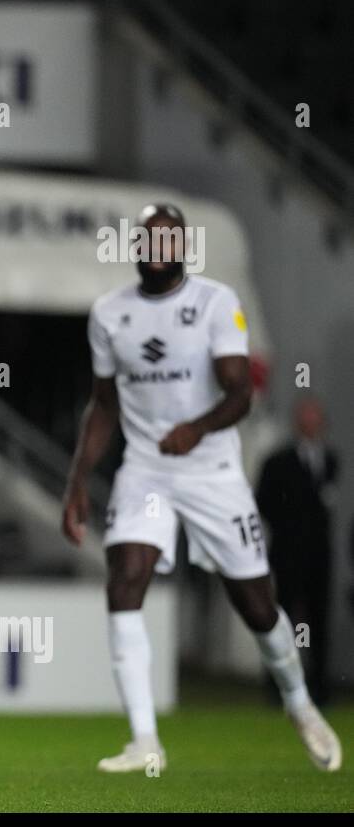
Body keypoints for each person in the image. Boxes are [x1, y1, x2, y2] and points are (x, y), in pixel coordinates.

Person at [62, 202, 340, 773]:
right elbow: (104, 404)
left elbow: (240, 394)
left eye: (171, 239)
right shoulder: (110, 313)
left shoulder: (215, 302)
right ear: (137, 246)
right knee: (125, 577)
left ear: (184, 248)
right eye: (150, 239)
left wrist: (197, 428)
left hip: (212, 471)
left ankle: (299, 702)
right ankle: (145, 740)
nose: (160, 248)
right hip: (146, 467)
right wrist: (77, 481)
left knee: (258, 607)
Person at [256, 397, 339, 706]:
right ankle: (278, 687)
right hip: (288, 556)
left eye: (315, 417)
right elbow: (263, 502)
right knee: (284, 622)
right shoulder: (278, 462)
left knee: (318, 623)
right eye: (306, 417)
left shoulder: (331, 460)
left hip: (319, 558)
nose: (311, 423)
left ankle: (319, 688)